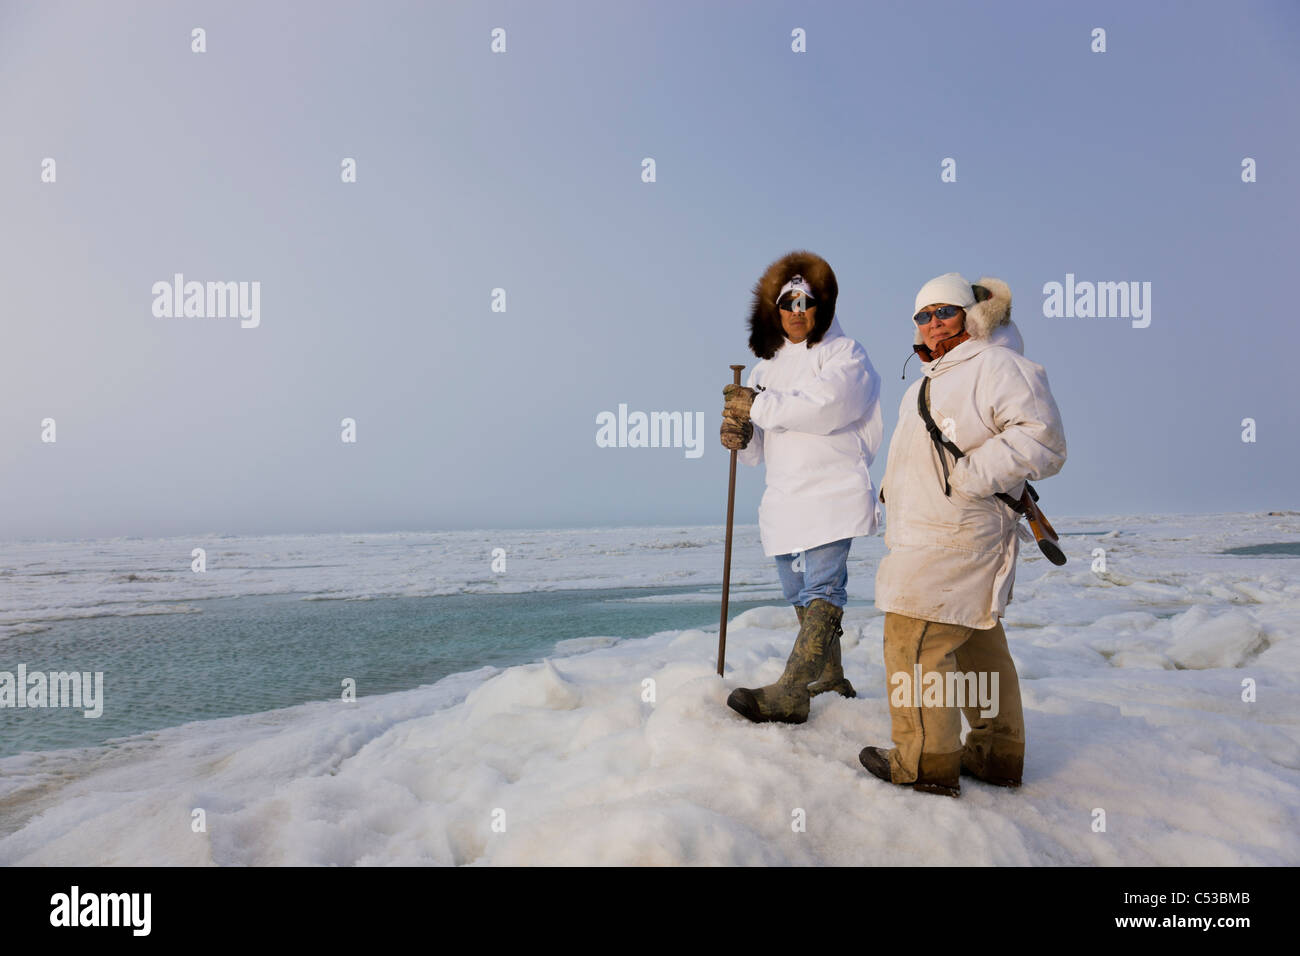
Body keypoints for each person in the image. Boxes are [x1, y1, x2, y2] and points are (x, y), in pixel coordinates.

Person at [858, 273, 1066, 796]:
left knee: (914, 640)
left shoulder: (995, 365)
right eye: (922, 316)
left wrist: (970, 477)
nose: (932, 325)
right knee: (976, 642)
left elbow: (1042, 439)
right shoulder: (928, 382)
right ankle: (997, 753)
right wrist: (891, 491)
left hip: (954, 534)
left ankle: (924, 762)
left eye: (944, 312)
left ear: (974, 315)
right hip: (932, 531)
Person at [719, 250, 883, 724]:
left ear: (822, 306)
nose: (795, 312)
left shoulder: (845, 355)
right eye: (787, 303)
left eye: (805, 302)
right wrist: (739, 434)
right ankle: (829, 678)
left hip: (833, 489)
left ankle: (793, 692)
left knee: (824, 588)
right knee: (799, 593)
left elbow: (826, 407)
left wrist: (758, 408)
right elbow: (760, 447)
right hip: (786, 497)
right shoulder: (767, 367)